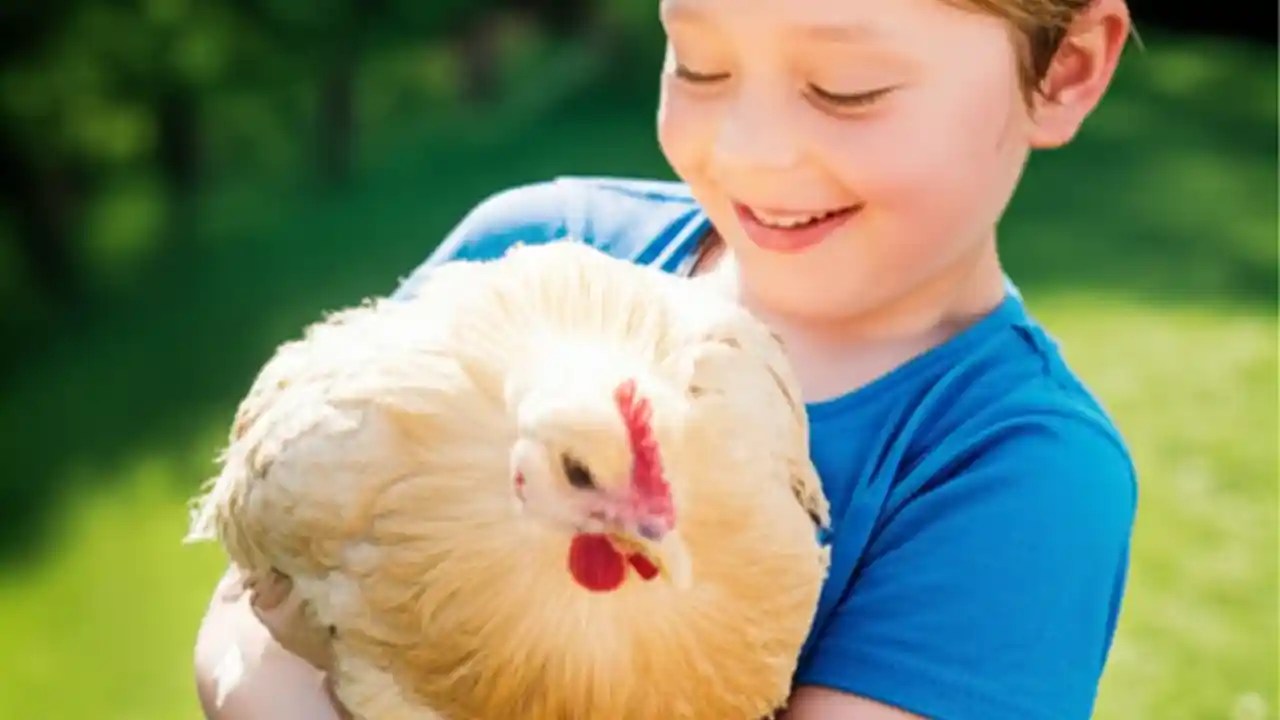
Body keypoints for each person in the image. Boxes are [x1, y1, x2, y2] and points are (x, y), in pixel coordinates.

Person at [194, 0, 1138, 717]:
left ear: (1065, 67)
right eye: (697, 65)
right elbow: (253, 600)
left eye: (845, 89)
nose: (751, 151)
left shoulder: (1021, 476)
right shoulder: (528, 254)